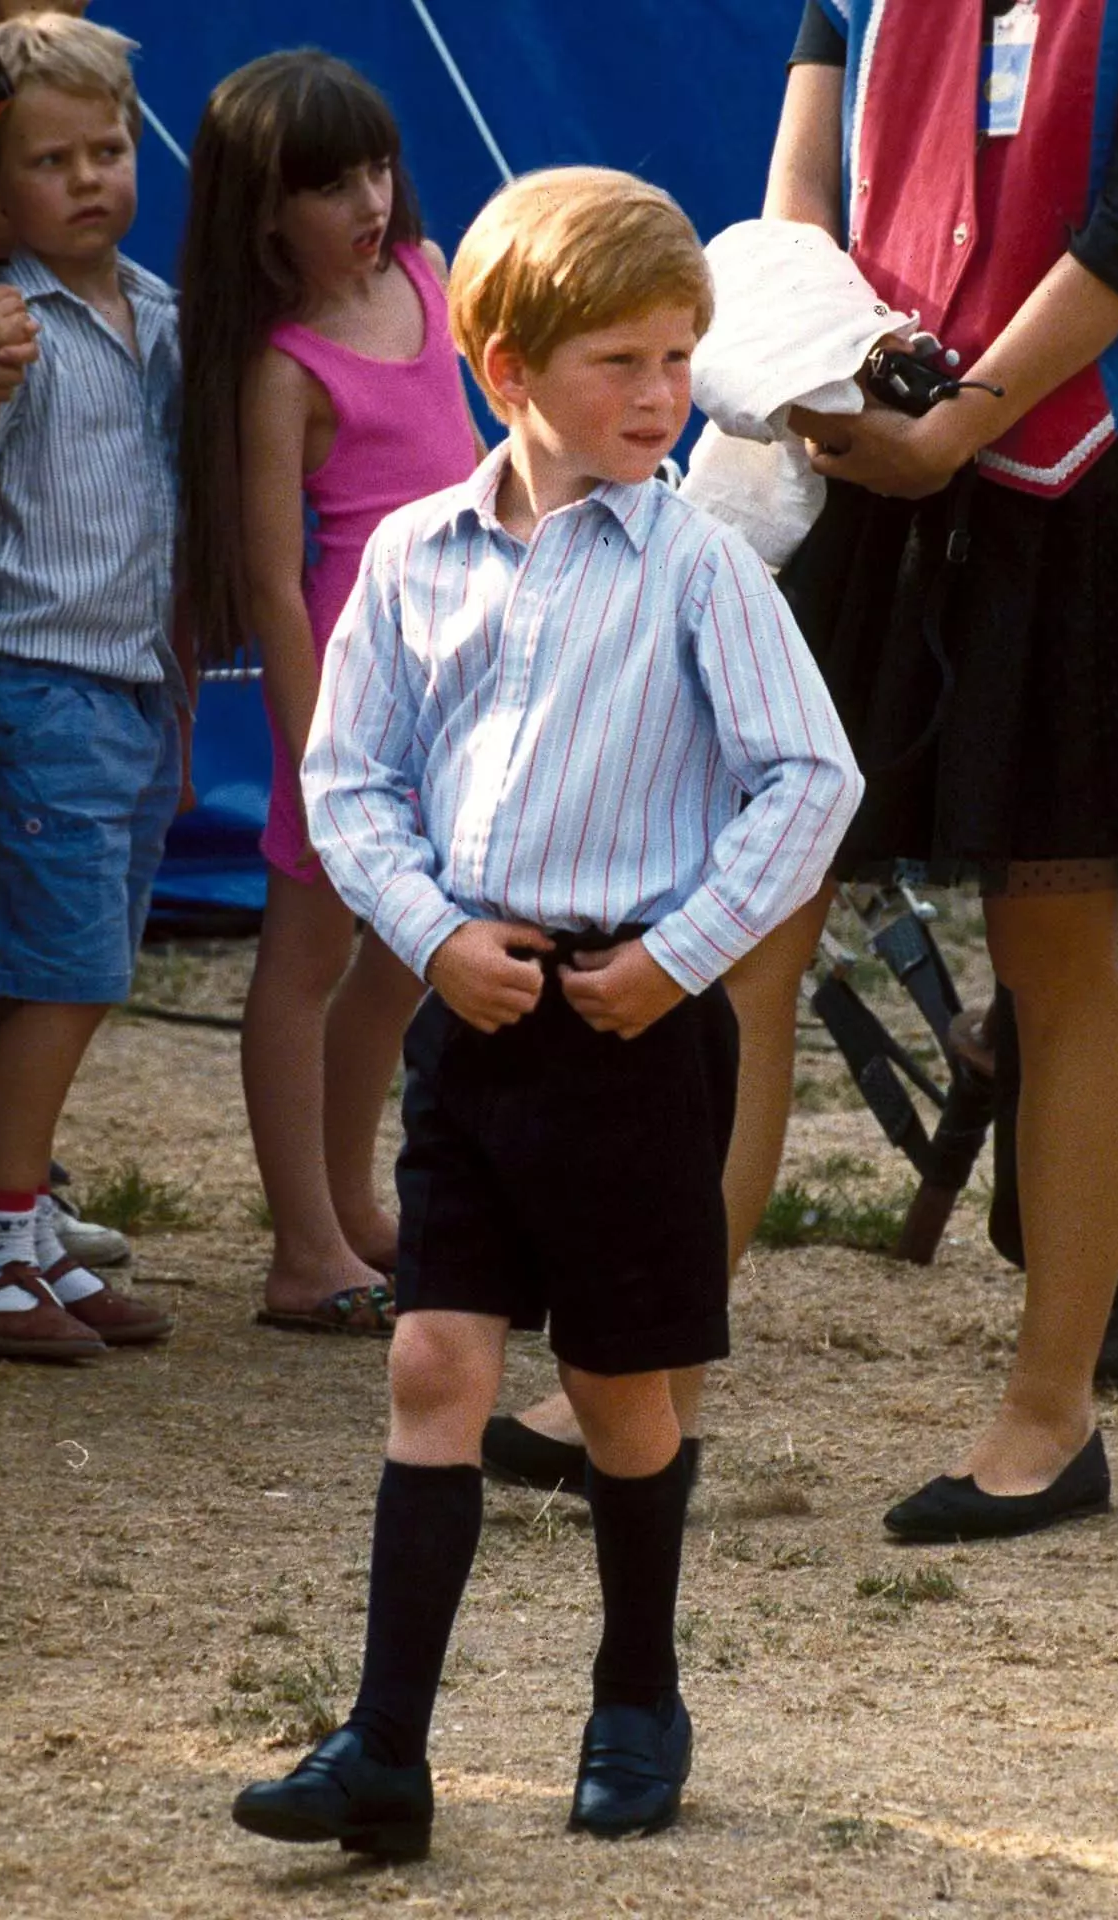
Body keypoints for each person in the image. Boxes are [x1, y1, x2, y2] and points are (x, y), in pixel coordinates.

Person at [229, 164, 860, 1858]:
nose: (661, 398)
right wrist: (432, 939)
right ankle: (384, 1751)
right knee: (435, 1366)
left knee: (624, 1390)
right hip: (476, 1027)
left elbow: (814, 779)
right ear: (504, 367)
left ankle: (637, 1693)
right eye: (620, 363)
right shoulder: (423, 558)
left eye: (679, 360)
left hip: (636, 1038)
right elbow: (348, 780)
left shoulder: (700, 568)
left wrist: (682, 955)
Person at [753, 0, 1118, 1540]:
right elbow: (800, 197)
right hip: (877, 445)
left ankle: (1049, 1416)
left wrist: (967, 420)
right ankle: (642, 1364)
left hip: (1089, 464)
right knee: (755, 899)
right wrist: (828, 373)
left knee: (1062, 933)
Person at [179, 52, 480, 1336]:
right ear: (262, 219)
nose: (369, 196)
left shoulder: (428, 275)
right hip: (347, 710)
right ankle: (303, 1247)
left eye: (376, 166)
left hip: (455, 689)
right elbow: (270, 591)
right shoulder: (283, 369)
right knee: (304, 958)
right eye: (328, 184)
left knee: (402, 959)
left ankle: (357, 1208)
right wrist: (317, 761)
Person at [0, 10, 184, 1358]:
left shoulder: (167, 320)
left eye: (113, 149)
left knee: (78, 967)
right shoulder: (6, 329)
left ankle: (18, 1231)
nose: (92, 180)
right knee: (55, 970)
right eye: (55, 160)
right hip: (27, 679)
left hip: (131, 689)